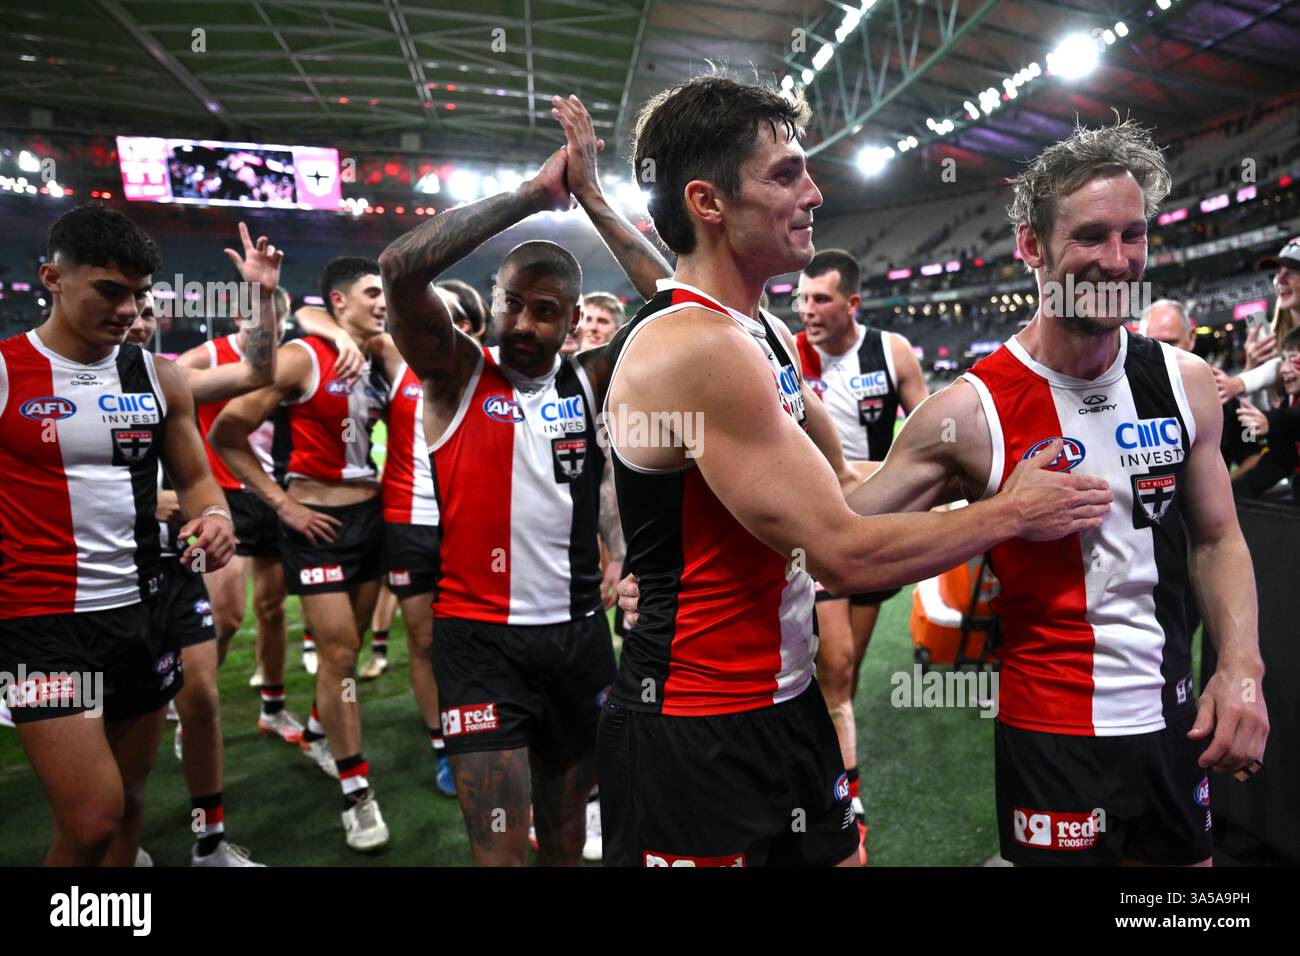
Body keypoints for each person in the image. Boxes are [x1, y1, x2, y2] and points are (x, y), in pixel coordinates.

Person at [598, 73, 1110, 868]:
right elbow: (838, 553)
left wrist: (961, 459)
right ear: (708, 202)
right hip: (698, 720)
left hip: (783, 699)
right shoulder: (696, 348)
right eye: (785, 174)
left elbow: (843, 495)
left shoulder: (757, 332)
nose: (815, 193)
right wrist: (1011, 511)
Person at [835, 119, 1268, 865]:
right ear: (1031, 247)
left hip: (1174, 726)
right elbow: (845, 547)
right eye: (1091, 237)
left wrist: (1241, 667)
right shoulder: (970, 414)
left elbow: (1218, 538)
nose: (1118, 260)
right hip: (1052, 736)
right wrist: (998, 517)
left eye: (1133, 236)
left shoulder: (1186, 383)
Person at [378, 93, 669, 866]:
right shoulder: (455, 375)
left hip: (580, 639)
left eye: (547, 312)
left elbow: (678, 303)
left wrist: (596, 196)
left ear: (572, 323)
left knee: (569, 844)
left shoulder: (590, 379)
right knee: (502, 851)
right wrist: (533, 196)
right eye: (514, 304)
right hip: (479, 644)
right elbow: (399, 269)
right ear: (494, 303)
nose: (526, 325)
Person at [0, 204, 235, 865]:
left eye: (138, 295)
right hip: (43, 624)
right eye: (109, 291)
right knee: (93, 817)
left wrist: (214, 518)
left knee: (129, 805)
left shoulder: (160, 379)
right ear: (52, 277)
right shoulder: (5, 370)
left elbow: (198, 480)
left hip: (144, 615)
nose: (128, 310)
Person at [209, 257, 391, 852]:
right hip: (315, 526)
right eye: (371, 293)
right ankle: (357, 793)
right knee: (338, 654)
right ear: (341, 301)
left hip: (373, 520)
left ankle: (318, 728)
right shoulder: (303, 356)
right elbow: (226, 433)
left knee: (352, 646)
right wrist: (280, 505)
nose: (383, 301)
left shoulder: (382, 356)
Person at [124, 221, 283, 866]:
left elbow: (256, 370)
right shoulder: (27, 379)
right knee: (115, 731)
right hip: (89, 584)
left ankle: (209, 841)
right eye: (122, 304)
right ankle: (119, 843)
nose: (136, 321)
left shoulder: (164, 379)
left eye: (144, 309)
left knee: (204, 702)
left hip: (170, 564)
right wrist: (150, 504)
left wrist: (262, 298)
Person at [793, 247, 928, 857]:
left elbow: (926, 434)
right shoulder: (784, 354)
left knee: (845, 672)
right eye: (801, 298)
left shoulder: (892, 351)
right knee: (837, 670)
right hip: (815, 531)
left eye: (820, 299)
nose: (807, 310)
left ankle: (826, 774)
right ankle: (844, 794)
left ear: (851, 303)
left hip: (874, 528)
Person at [1214, 237, 1299, 404]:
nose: (1279, 281)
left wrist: (1240, 382)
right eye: (1278, 272)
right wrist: (1252, 366)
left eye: (1292, 272)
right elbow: (1260, 416)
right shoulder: (1270, 335)